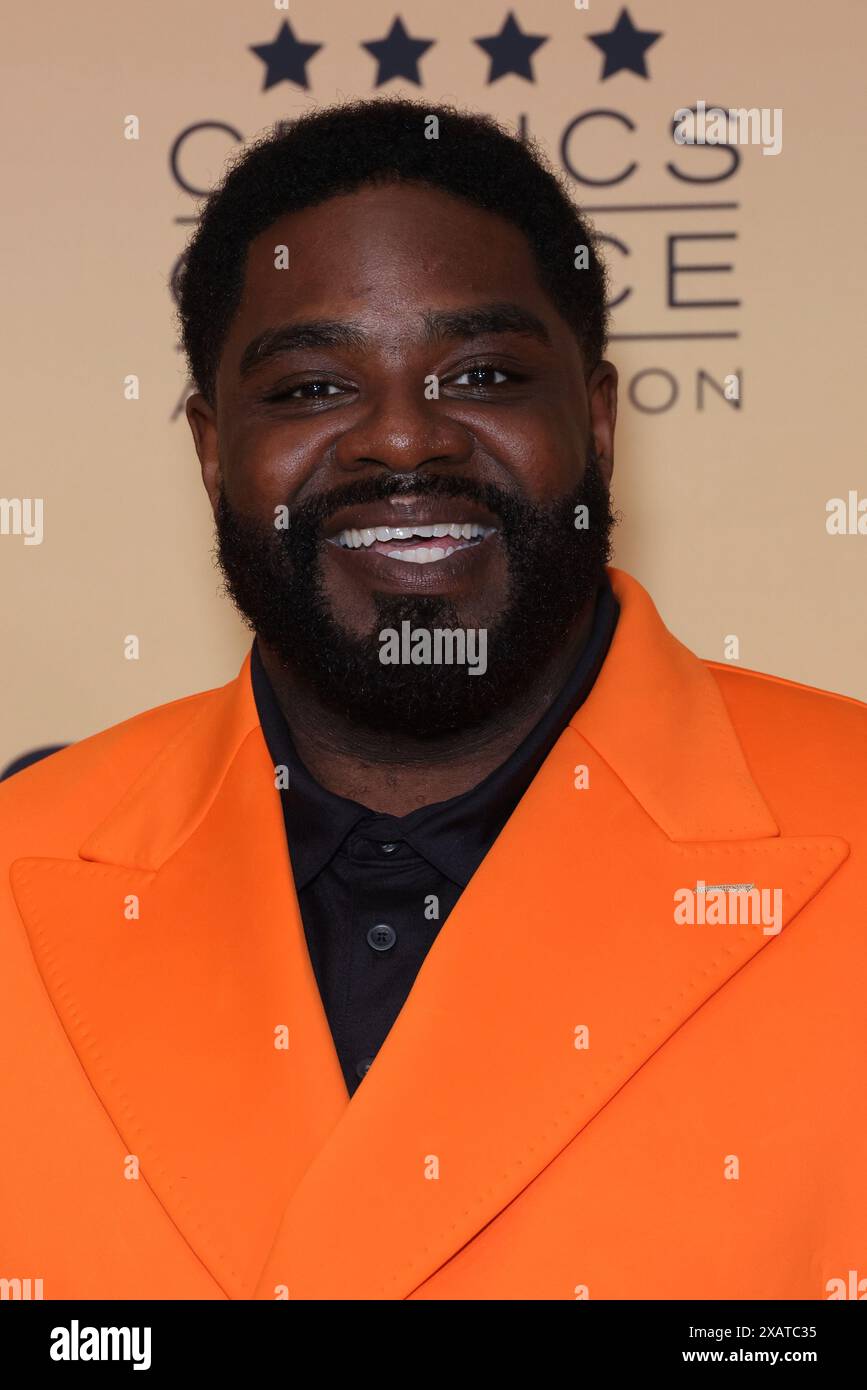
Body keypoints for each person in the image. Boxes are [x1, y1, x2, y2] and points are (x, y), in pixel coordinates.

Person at [1, 98, 864, 1302]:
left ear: (600, 423)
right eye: (309, 388)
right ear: (210, 450)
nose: (404, 440)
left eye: (485, 372)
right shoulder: (18, 865)